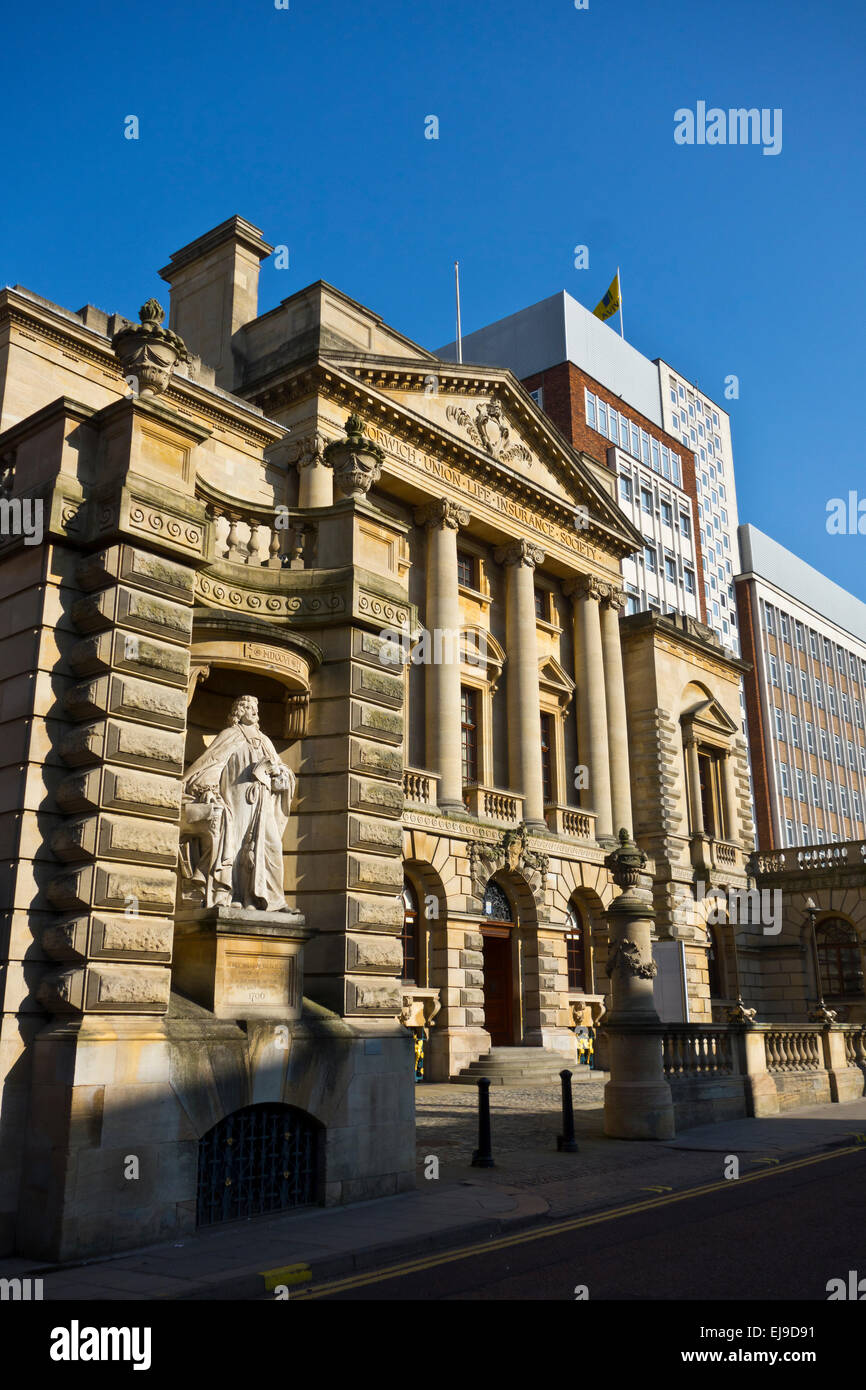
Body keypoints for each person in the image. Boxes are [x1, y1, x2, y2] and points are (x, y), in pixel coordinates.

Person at [180, 695, 294, 911]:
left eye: (255, 707)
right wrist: (209, 791)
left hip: (263, 802)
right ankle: (235, 897)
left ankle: (271, 900)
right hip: (236, 801)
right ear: (239, 711)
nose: (254, 711)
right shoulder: (229, 735)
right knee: (235, 846)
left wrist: (280, 774)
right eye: (248, 707)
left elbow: (282, 773)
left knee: (271, 846)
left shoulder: (265, 741)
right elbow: (211, 765)